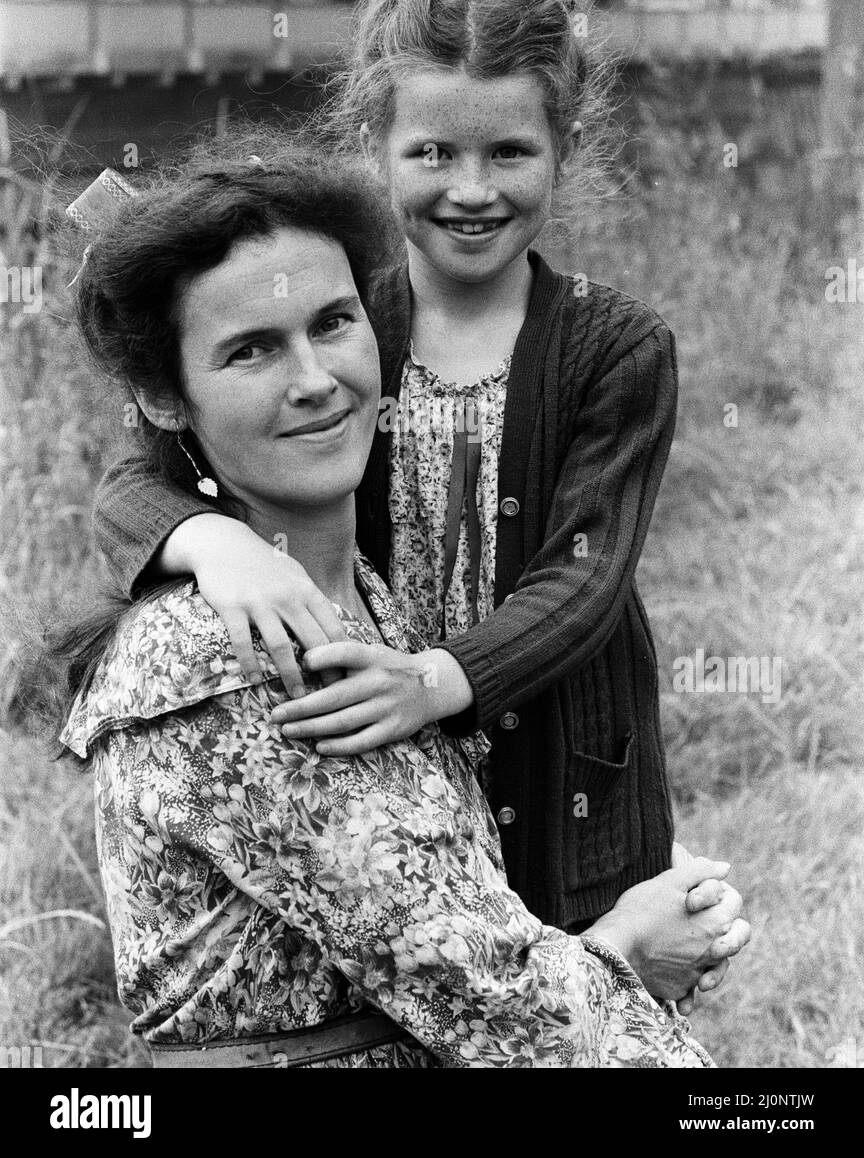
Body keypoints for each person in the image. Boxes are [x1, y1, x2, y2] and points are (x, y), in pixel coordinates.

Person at [91, 0, 728, 992]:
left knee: (565, 997)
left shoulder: (617, 348)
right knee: (440, 984)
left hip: (554, 753)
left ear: (564, 146)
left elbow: (586, 573)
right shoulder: (345, 328)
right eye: (432, 154)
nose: (470, 189)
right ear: (375, 146)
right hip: (392, 759)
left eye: (509, 154)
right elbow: (132, 478)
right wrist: (208, 543)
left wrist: (442, 680)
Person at [56, 150, 748, 1066]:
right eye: (251, 349)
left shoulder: (361, 596)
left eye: (334, 323)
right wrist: (631, 950)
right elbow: (508, 1010)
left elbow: (443, 934)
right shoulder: (228, 651)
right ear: (164, 398)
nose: (314, 379)